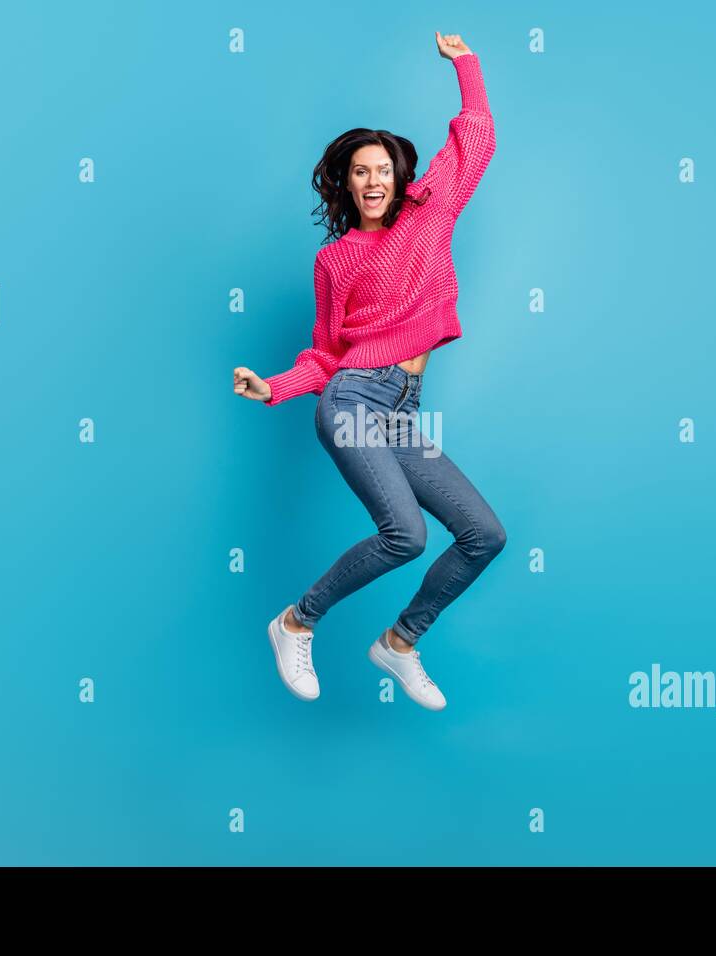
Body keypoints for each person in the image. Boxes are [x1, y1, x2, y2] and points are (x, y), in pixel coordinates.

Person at [233, 32, 504, 711]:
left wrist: (465, 64)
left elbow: (476, 139)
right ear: (345, 182)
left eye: (383, 168)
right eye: (360, 171)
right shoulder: (336, 261)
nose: (374, 180)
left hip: (403, 407)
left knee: (484, 535)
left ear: (400, 175)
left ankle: (401, 643)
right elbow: (326, 355)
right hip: (353, 400)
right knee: (406, 536)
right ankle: (296, 621)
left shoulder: (429, 213)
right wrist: (275, 388)